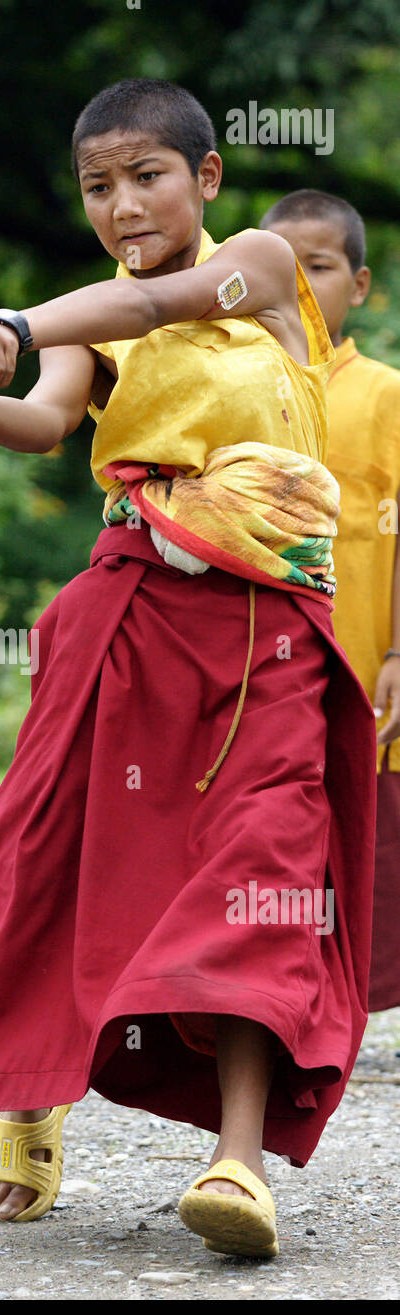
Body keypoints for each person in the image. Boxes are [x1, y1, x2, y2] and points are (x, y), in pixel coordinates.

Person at [0, 78, 376, 1258]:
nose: (120, 206)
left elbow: (154, 295)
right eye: (95, 187)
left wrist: (10, 327)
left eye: (145, 177)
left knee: (266, 865)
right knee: (55, 852)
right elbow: (44, 418)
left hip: (266, 628)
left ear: (205, 178)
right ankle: (28, 1092)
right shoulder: (97, 324)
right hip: (128, 616)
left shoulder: (258, 267)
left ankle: (236, 1158)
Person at [261, 189, 400, 1014]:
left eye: (318, 268)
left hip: (359, 645)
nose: (302, 289)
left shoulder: (384, 393)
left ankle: (355, 1004)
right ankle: (277, 1002)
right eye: (284, 270)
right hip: (264, 656)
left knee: (368, 831)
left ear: (361, 284)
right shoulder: (243, 382)